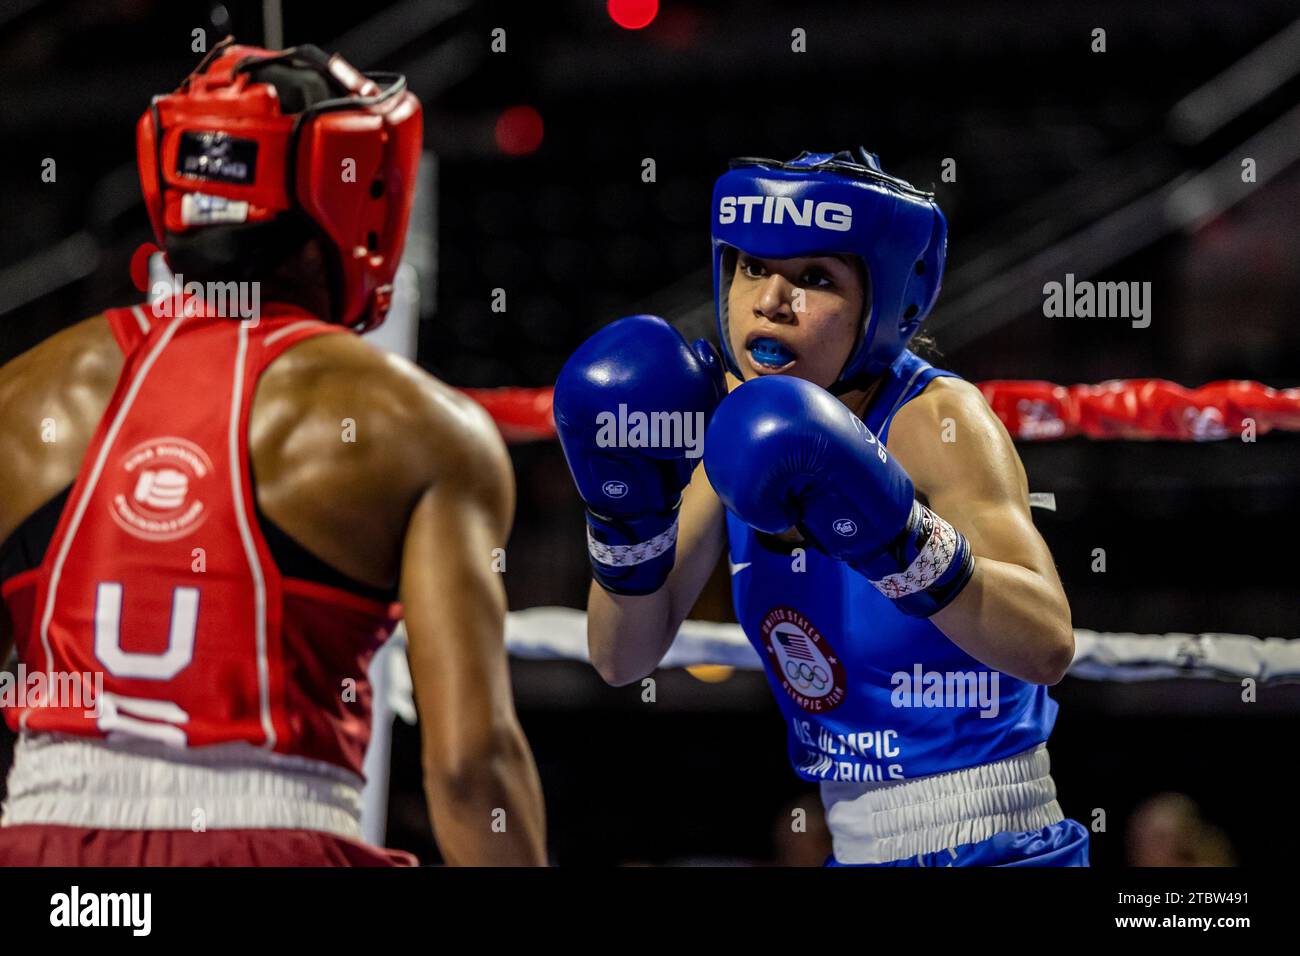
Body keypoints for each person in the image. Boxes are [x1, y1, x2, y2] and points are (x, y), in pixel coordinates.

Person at [0, 40, 545, 866]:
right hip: (276, 841)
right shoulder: (416, 425)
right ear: (348, 191)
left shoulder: (21, 396)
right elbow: (471, 767)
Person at [555, 148, 1087, 866]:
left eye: (813, 277)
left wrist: (897, 538)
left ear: (884, 302)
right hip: (853, 843)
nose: (771, 301)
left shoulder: (936, 422)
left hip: (998, 839)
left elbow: (1048, 643)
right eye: (752, 268)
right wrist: (625, 518)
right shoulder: (729, 437)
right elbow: (621, 657)